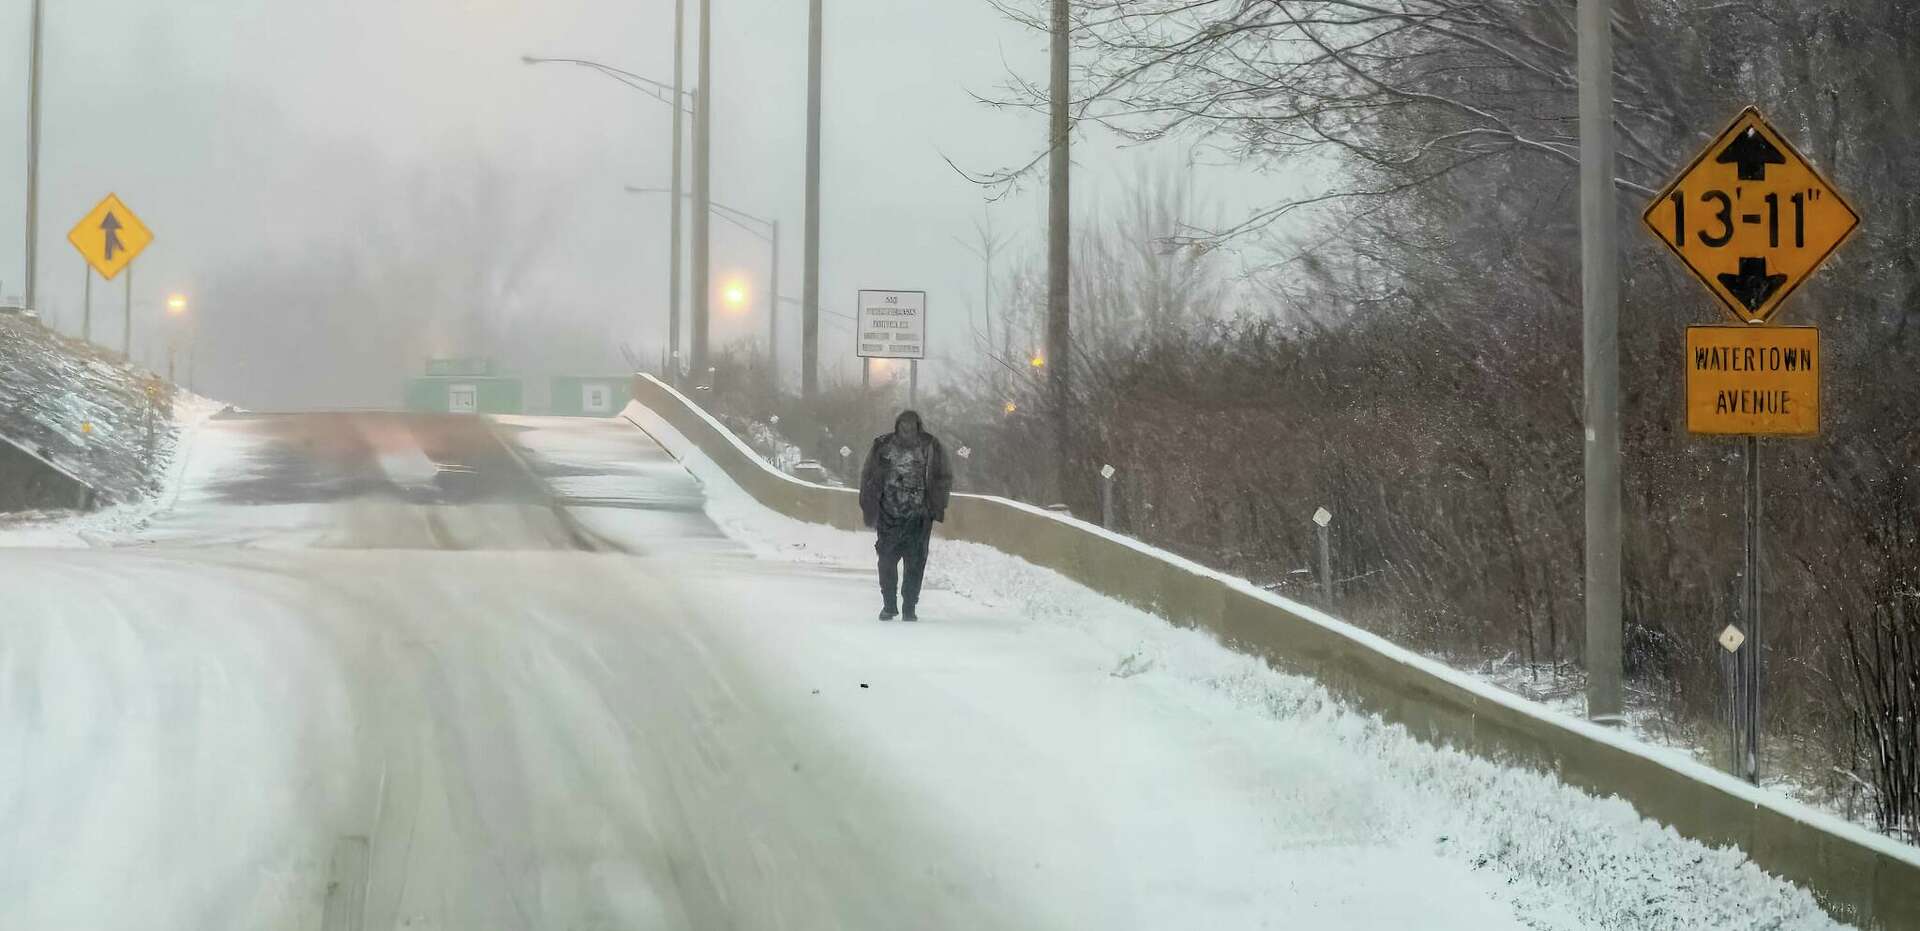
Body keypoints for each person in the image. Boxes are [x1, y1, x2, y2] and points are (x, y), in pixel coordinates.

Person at [859, 410, 953, 621]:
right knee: (886, 561)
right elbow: (868, 475)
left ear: (918, 425)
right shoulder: (883, 445)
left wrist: (937, 505)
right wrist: (868, 503)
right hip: (888, 514)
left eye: (911, 425)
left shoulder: (931, 446)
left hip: (919, 518)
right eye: (903, 425)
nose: (907, 430)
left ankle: (909, 605)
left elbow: (943, 477)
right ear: (897, 425)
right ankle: (889, 604)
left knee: (915, 563)